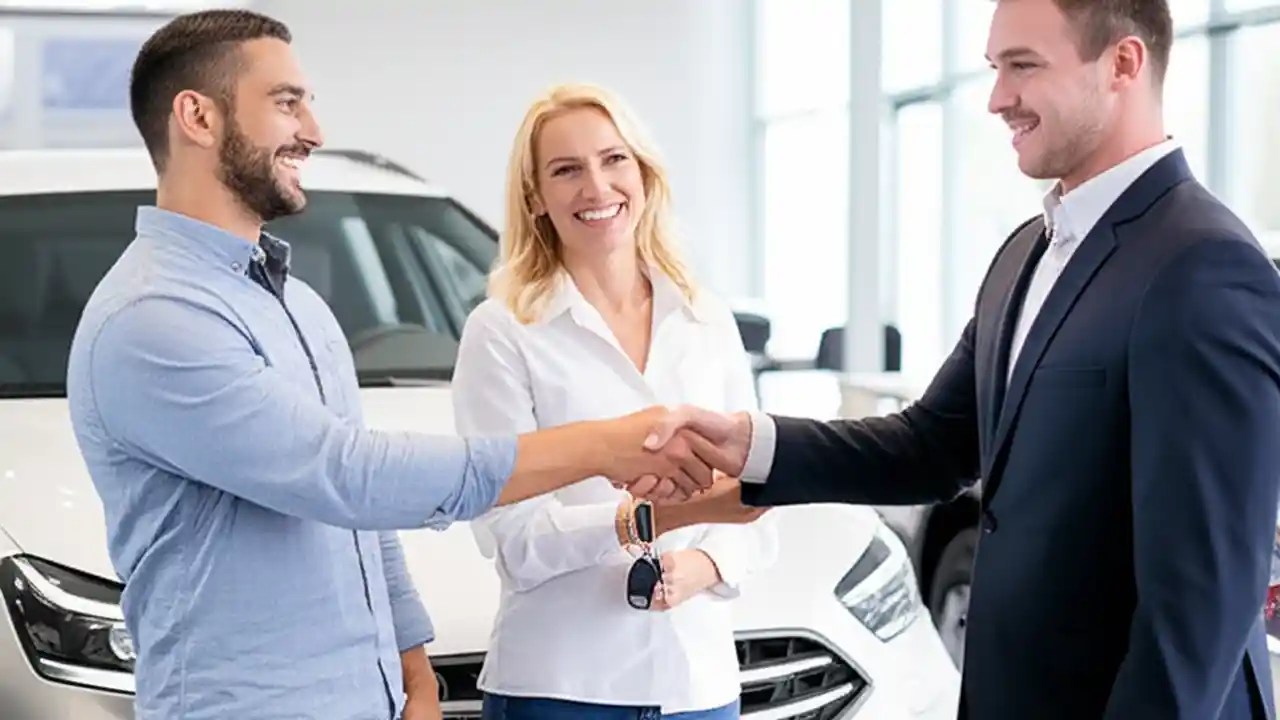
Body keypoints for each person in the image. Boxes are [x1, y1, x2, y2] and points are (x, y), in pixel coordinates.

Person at [64, 11, 714, 720]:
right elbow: (345, 474)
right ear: (198, 116)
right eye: (287, 102)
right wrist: (602, 444)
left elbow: (360, 522)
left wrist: (413, 663)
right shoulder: (151, 318)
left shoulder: (300, 307)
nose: (314, 129)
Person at [646, 1, 1280, 718]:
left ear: (1123, 65)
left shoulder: (1205, 266)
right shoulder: (1024, 254)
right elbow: (932, 444)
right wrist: (753, 441)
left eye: (1023, 66)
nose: (996, 98)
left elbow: (1203, 599)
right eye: (993, 68)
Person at [450, 83, 777, 720]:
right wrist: (643, 520)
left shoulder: (707, 318)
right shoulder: (502, 331)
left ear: (645, 174)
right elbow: (511, 539)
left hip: (699, 688)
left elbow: (763, 494)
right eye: (566, 170)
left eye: (613, 159)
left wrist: (708, 562)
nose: (596, 188)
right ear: (536, 199)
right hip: (562, 686)